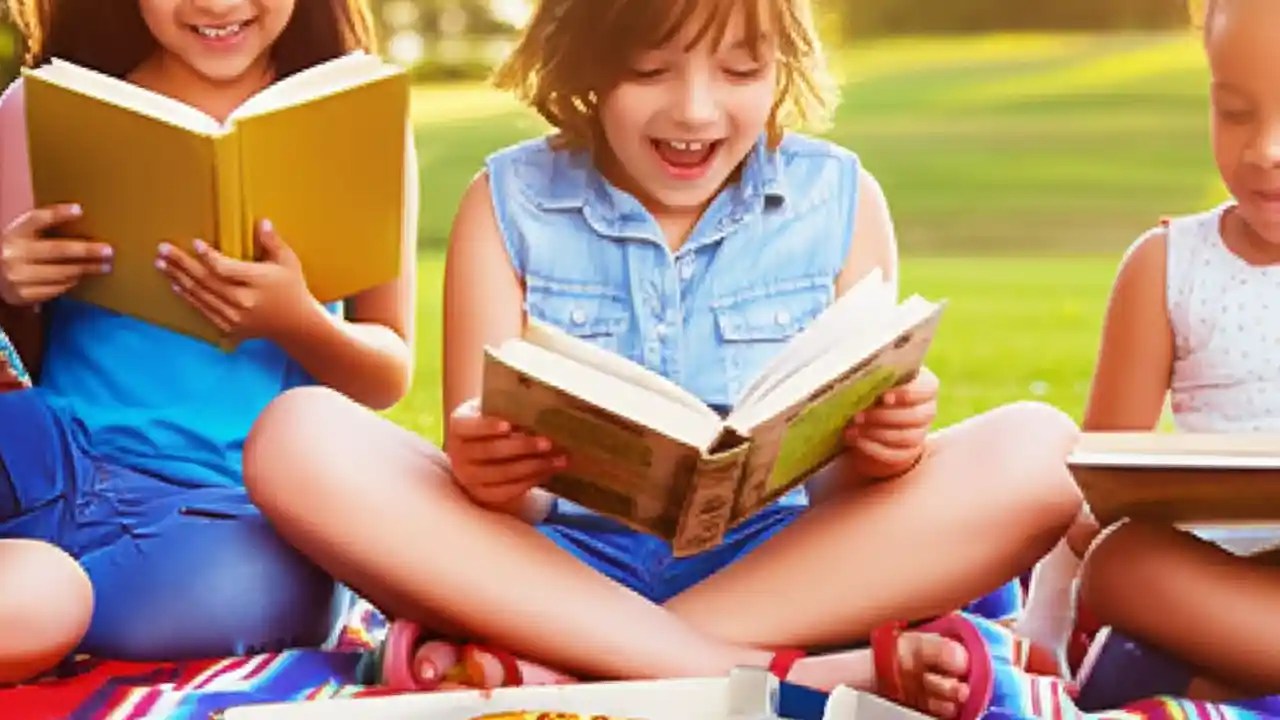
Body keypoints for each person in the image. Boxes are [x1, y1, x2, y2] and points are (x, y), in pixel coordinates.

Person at [242, 0, 1081, 717]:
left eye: (742, 71)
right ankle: (785, 681)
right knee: (297, 434)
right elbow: (508, 506)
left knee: (1042, 454)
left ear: (782, 63)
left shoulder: (841, 200)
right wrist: (492, 473)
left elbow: (842, 503)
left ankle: (575, 670)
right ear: (588, 64)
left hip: (787, 569)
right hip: (553, 568)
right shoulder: (503, 207)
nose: (696, 112)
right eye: (651, 70)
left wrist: (882, 447)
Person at [0, 0, 419, 683]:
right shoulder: (39, 112)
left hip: (216, 514)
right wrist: (9, 288)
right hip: (49, 457)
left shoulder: (358, 123)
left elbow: (389, 371)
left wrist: (297, 321)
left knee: (267, 595)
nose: (217, 3)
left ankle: (40, 599)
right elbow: (20, 362)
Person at [1050, 0, 1280, 709]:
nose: (1266, 147)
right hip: (1214, 583)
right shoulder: (1167, 266)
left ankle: (1214, 683)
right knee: (1121, 561)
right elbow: (1100, 491)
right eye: (1236, 111)